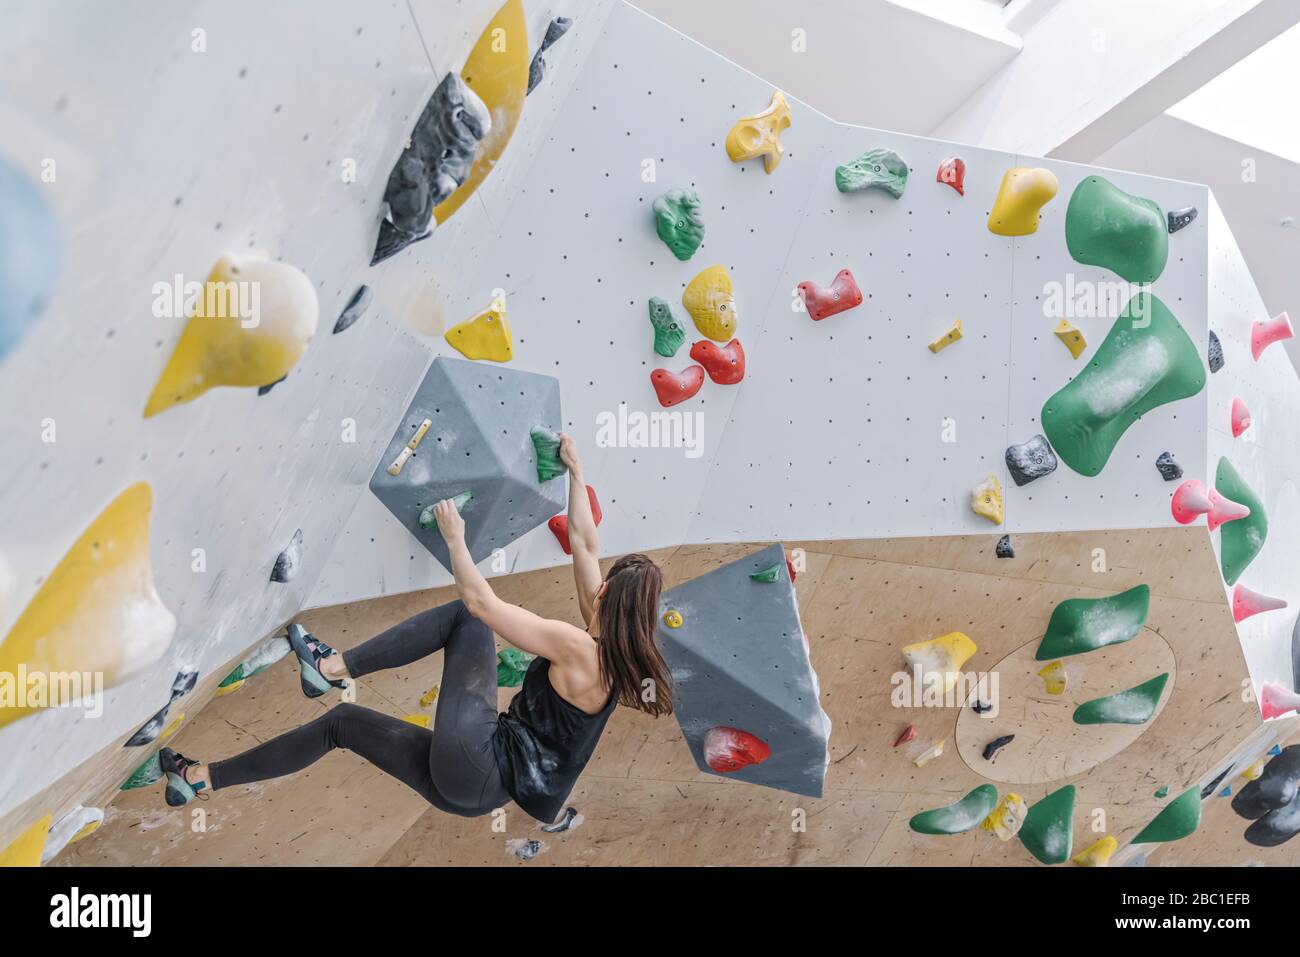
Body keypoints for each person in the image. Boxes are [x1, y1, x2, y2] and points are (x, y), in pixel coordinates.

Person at [158, 435, 673, 826]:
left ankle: (331, 666)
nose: (596, 585)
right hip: (473, 794)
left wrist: (456, 539)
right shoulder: (613, 656)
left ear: (608, 599)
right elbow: (584, 543)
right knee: (341, 725)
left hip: (481, 760)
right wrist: (575, 473)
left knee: (468, 619)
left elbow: (479, 602)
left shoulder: (579, 647)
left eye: (603, 587)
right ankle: (203, 778)